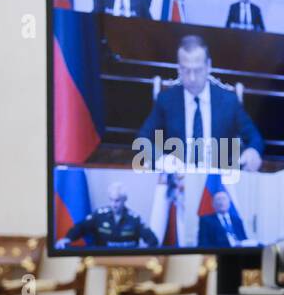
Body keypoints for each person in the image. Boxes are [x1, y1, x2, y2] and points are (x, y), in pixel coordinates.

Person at [137, 35, 264, 171]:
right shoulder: (166, 100)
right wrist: (162, 159)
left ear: (208, 66)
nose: (192, 78)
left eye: (197, 70)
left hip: (217, 183)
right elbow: (142, 140)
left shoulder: (229, 101)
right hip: (180, 181)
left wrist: (253, 152)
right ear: (179, 68)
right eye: (186, 70)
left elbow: (255, 138)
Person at [56, 182, 158, 248]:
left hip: (127, 259)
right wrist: (68, 238)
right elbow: (81, 227)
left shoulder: (134, 218)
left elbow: (152, 240)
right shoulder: (99, 215)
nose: (114, 204)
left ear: (124, 200)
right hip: (101, 258)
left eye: (117, 201)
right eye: (111, 200)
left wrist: (145, 249)